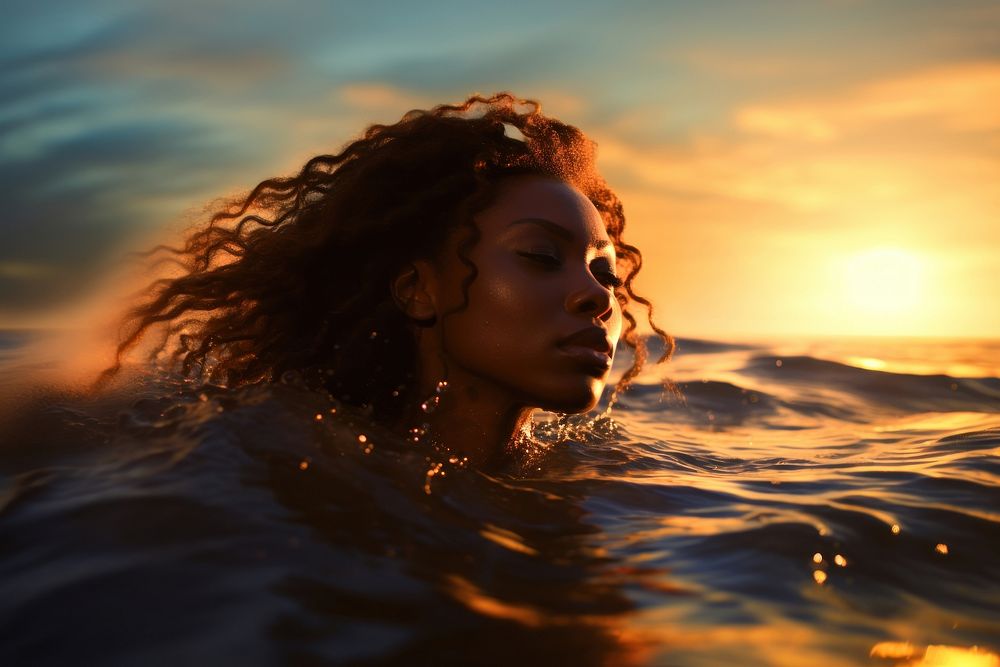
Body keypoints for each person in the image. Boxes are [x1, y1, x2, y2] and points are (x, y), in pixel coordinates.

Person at [103, 92, 673, 468]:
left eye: (605, 270)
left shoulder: (608, 482)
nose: (598, 297)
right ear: (418, 291)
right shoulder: (296, 464)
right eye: (540, 255)